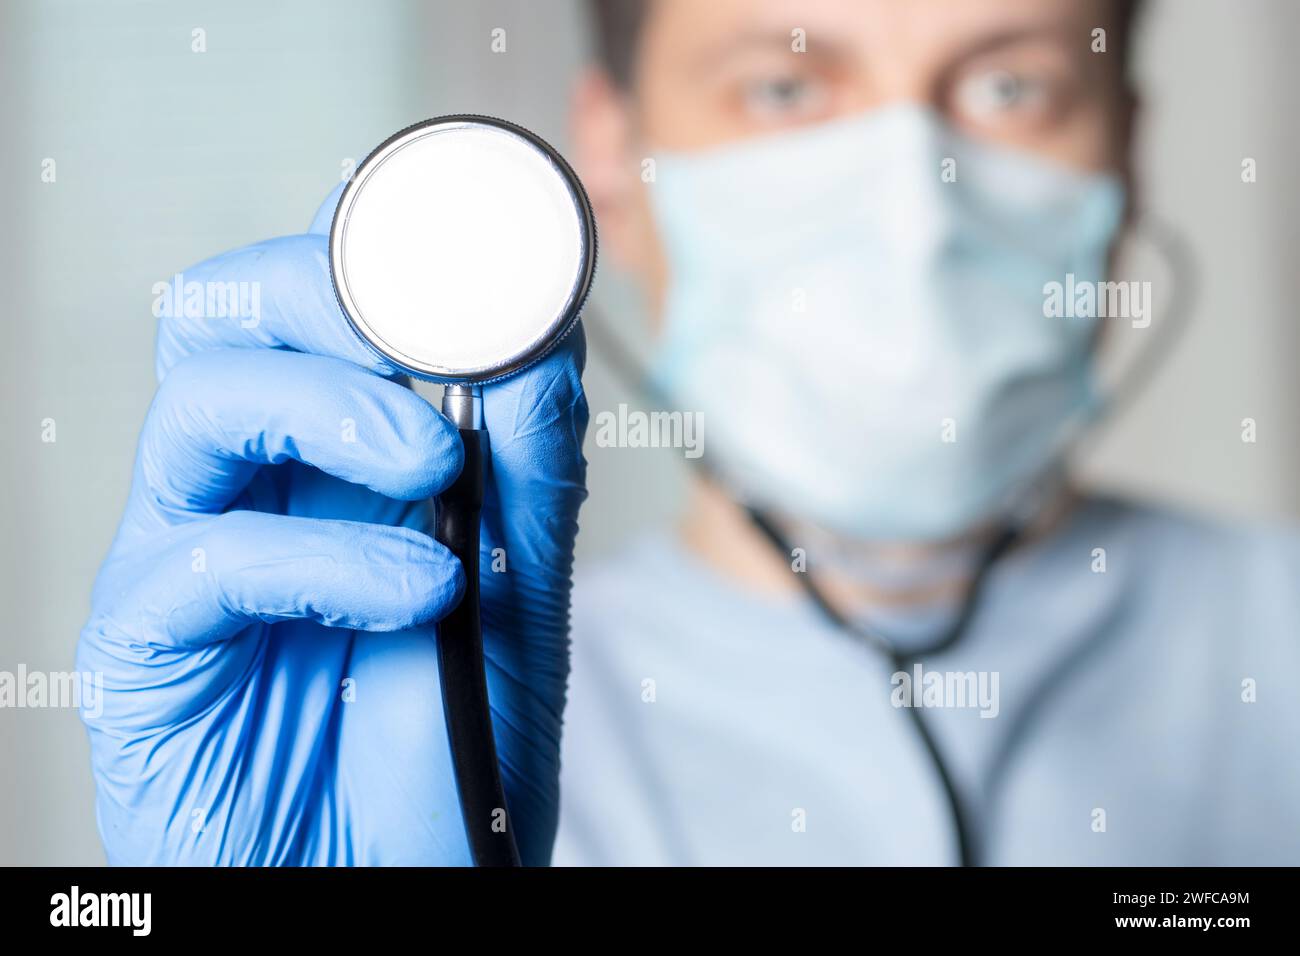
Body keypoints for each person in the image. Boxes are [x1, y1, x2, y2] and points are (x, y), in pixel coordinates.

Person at [79, 0, 1300, 867]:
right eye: (782, 84)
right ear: (608, 150)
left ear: (1126, 151)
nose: (908, 210)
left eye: (1008, 86)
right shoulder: (393, 709)